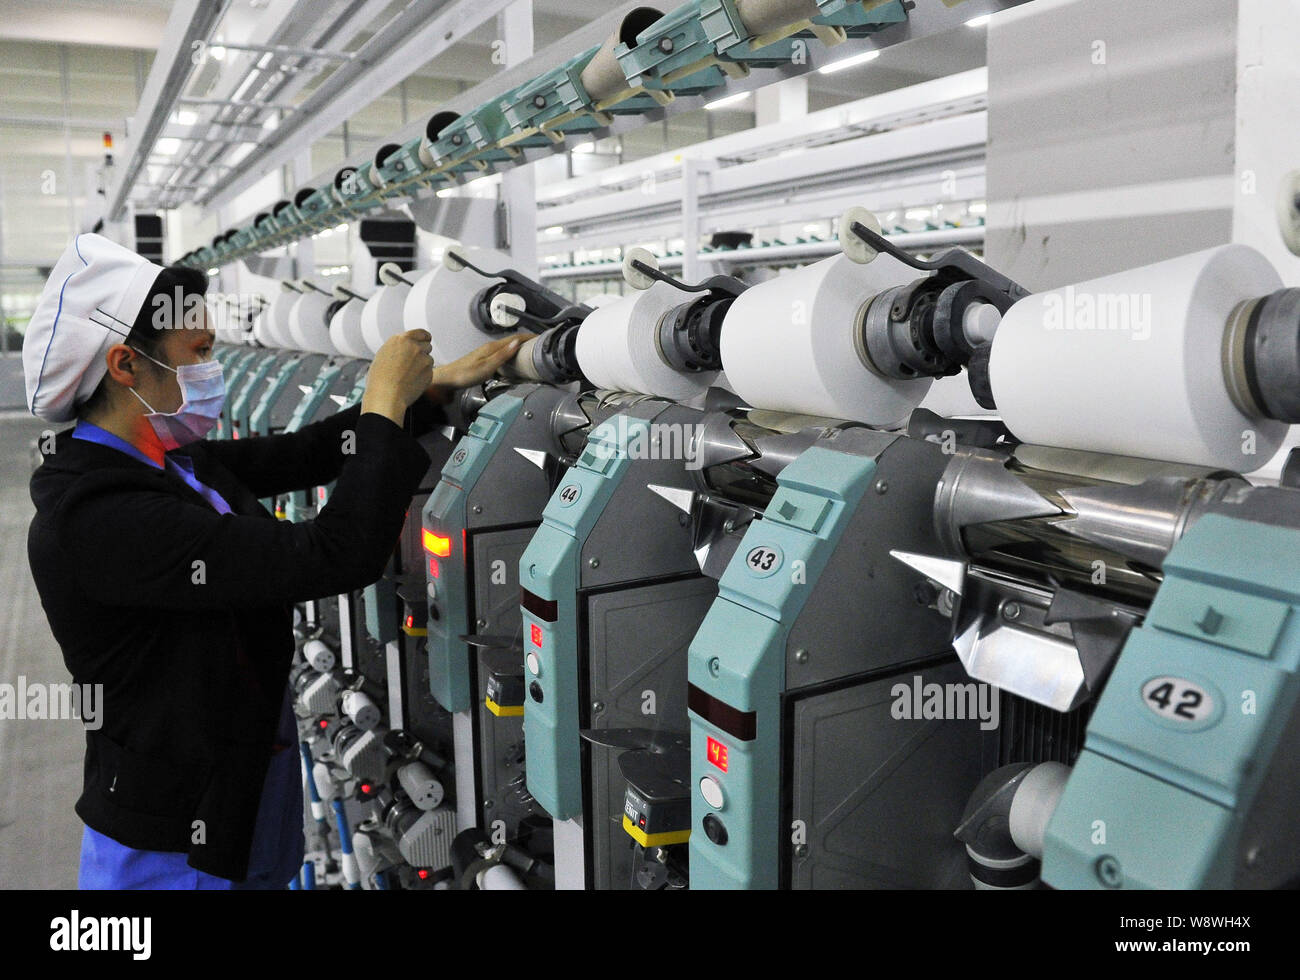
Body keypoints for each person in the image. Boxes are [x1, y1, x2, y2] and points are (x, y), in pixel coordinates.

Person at [24, 233, 523, 888]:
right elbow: (334, 554)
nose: (211, 371)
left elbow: (306, 453)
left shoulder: (159, 457)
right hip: (178, 844)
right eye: (198, 353)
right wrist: (378, 402)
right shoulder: (102, 518)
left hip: (242, 788)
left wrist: (419, 398)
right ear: (125, 365)